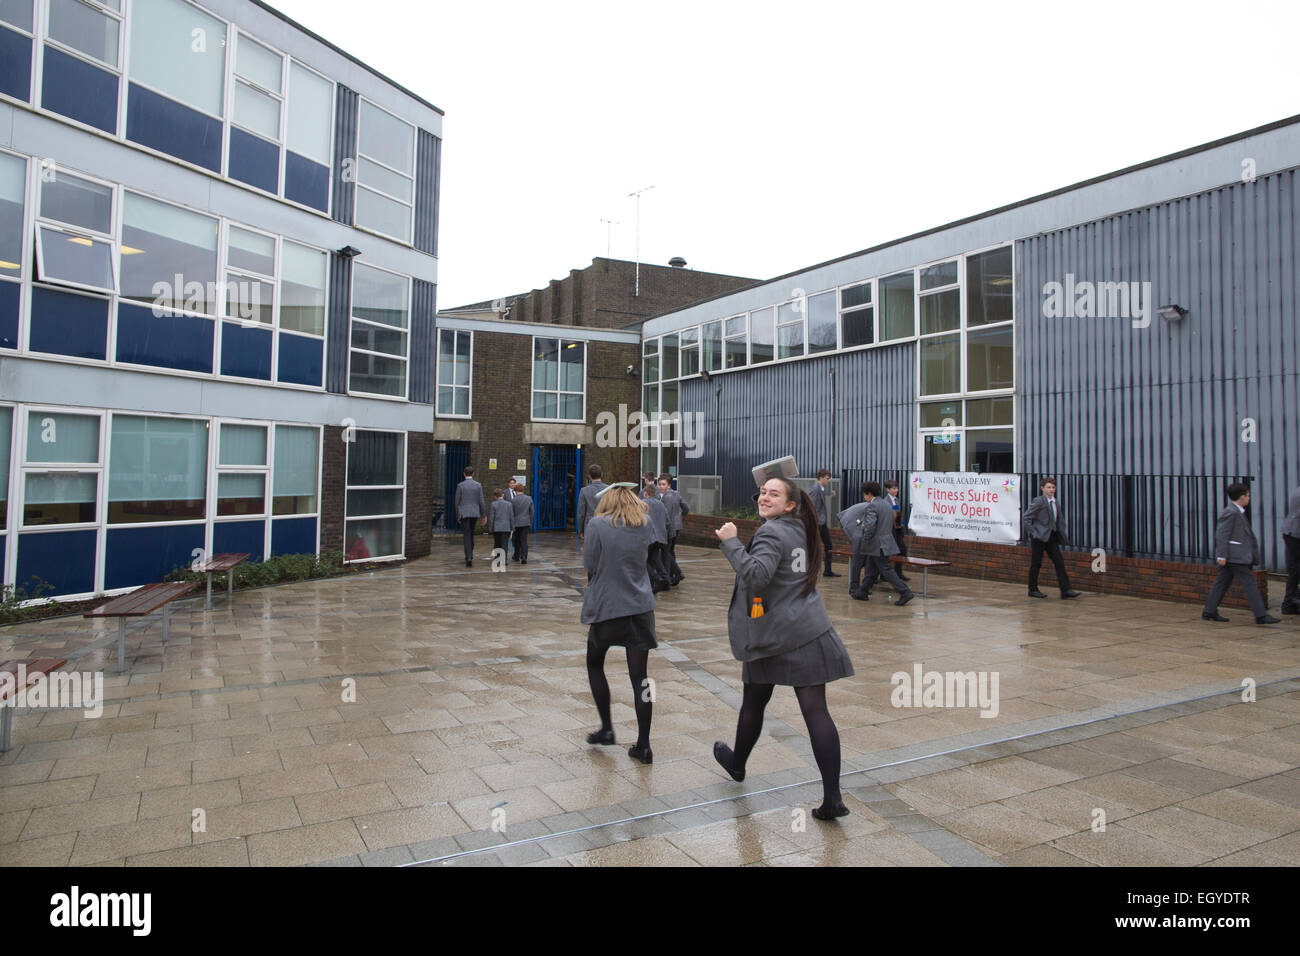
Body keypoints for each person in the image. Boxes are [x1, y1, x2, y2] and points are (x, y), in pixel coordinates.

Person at [712, 476, 854, 821]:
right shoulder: (801, 528)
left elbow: (756, 575)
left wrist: (731, 543)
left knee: (755, 703)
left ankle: (738, 763)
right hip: (808, 630)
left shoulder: (772, 532)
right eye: (762, 492)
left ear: (790, 504)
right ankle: (832, 797)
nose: (763, 497)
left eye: (773, 494)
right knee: (814, 712)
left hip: (774, 636)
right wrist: (771, 495)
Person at [582, 484, 657, 764]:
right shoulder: (645, 522)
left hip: (607, 606)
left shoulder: (597, 524)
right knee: (640, 678)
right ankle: (644, 745)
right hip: (639, 608)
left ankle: (607, 728)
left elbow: (590, 563)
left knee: (594, 663)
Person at [1203, 482, 1280, 625]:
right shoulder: (1231, 513)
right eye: (1248, 496)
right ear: (1242, 497)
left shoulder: (1237, 511)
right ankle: (1260, 615)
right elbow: (1222, 535)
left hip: (1234, 556)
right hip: (1235, 556)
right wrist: (1222, 555)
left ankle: (1209, 611)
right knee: (1249, 583)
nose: (1249, 498)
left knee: (1222, 583)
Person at [855, 481, 915, 607]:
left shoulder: (872, 506)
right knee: (871, 569)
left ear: (869, 493)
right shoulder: (887, 505)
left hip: (876, 543)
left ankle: (905, 592)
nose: (864, 497)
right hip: (886, 542)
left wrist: (865, 539)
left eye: (865, 495)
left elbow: (870, 526)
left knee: (886, 569)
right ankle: (862, 591)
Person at [1023, 477, 1081, 599]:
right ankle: (1032, 589)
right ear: (1042, 488)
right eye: (1048, 487)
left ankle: (1065, 590)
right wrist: (1033, 532)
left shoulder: (1055, 502)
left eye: (1053, 487)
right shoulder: (1039, 501)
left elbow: (1058, 520)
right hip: (1039, 537)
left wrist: (1061, 533)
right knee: (1036, 563)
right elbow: (1026, 517)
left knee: (1059, 562)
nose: (1051, 490)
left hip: (1051, 537)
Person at [837, 484, 871, 600]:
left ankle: (862, 587)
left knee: (864, 560)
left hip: (856, 527)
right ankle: (854, 587)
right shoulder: (871, 506)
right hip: (854, 527)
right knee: (858, 560)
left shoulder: (871, 505)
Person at [808, 469, 840, 578]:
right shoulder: (816, 489)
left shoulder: (820, 489)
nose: (828, 481)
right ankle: (814, 570)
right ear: (820, 477)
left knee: (828, 545)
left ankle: (827, 570)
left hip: (821, 522)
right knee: (817, 546)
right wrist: (816, 523)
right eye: (827, 478)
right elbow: (813, 507)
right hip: (818, 523)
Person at [657, 475, 688, 586]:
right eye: (659, 484)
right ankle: (673, 574)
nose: (661, 486)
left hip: (669, 527)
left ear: (669, 485)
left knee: (666, 552)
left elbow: (667, 514)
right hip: (677, 525)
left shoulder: (667, 497)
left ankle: (674, 573)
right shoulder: (676, 494)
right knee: (670, 551)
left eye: (663, 484)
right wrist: (682, 515)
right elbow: (686, 507)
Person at [454, 466, 487, 567]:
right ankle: (470, 553)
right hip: (474, 513)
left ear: (464, 474)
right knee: (471, 533)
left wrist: (458, 515)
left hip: (464, 513)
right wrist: (484, 515)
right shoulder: (478, 485)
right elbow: (481, 501)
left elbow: (457, 502)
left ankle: (468, 556)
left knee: (466, 535)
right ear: (473, 474)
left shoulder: (460, 486)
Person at [642, 484, 671, 593]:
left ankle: (656, 578)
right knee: (654, 559)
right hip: (661, 537)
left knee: (644, 560)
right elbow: (668, 522)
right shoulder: (661, 504)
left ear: (645, 493)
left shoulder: (643, 504)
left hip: (648, 537)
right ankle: (666, 580)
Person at [883, 479, 910, 582]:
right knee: (888, 552)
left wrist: (901, 526)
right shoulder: (886, 501)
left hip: (898, 529)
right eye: (893, 488)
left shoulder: (896, 500)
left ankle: (899, 572)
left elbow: (898, 514)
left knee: (902, 550)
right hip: (890, 529)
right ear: (888, 489)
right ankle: (884, 574)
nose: (896, 490)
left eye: (897, 488)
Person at [1282, 483, 1300, 615]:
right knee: (1295, 569)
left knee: (1294, 569)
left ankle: (1290, 602)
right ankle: (1289, 603)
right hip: (1295, 534)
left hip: (1291, 533)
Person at [577, 464, 608, 539]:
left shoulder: (584, 491)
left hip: (589, 525)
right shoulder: (609, 489)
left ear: (589, 476)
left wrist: (580, 530)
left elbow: (581, 513)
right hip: (606, 523)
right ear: (602, 474)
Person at [511, 480, 534, 564]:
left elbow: (511, 513)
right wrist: (530, 522)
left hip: (516, 523)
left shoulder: (513, 500)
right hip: (526, 522)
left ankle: (516, 555)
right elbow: (531, 512)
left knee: (516, 540)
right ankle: (524, 556)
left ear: (516, 490)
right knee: (524, 540)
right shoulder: (529, 498)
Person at [488, 489, 514, 563]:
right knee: (504, 544)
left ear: (495, 496)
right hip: (506, 527)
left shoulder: (493, 504)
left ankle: (497, 558)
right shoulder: (509, 504)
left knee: (497, 543)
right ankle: (504, 560)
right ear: (503, 495)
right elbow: (511, 517)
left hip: (497, 527)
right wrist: (512, 527)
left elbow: (492, 517)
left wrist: (491, 528)